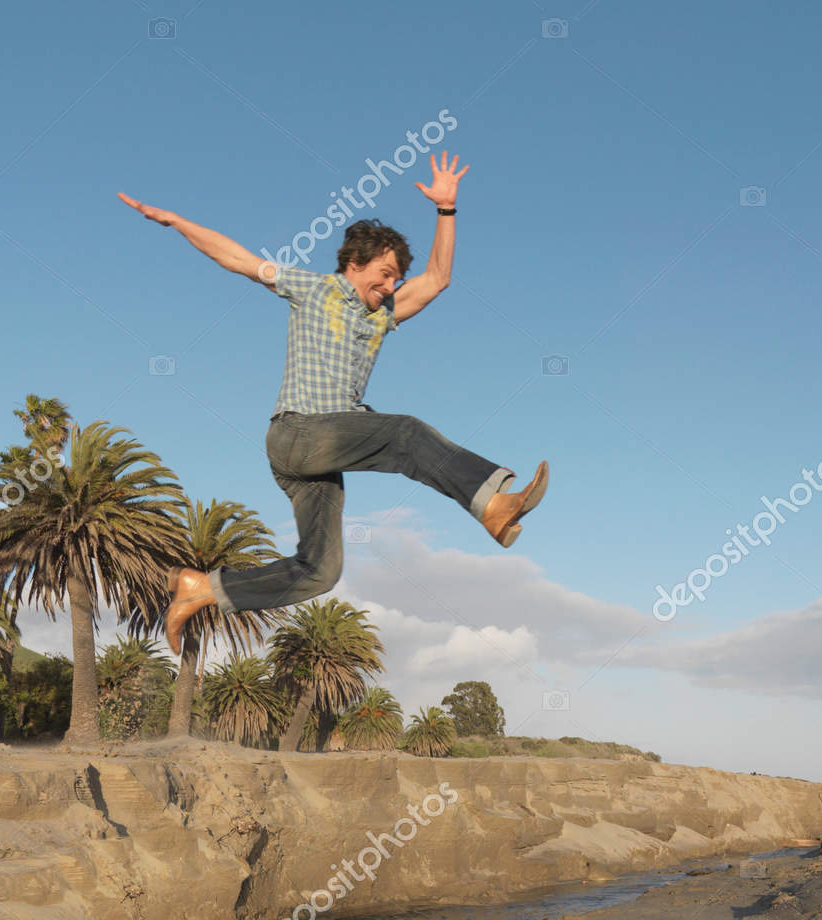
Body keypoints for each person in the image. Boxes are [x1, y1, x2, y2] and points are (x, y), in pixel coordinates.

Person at [118, 152, 548, 655]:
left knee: (321, 571)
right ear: (355, 263)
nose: (389, 286)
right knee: (404, 433)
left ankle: (204, 589)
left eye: (394, 279)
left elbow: (437, 280)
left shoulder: (383, 312)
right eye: (383, 274)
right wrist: (177, 222)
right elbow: (236, 258)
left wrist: (446, 211)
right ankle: (491, 503)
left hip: (322, 457)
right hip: (298, 432)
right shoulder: (313, 289)